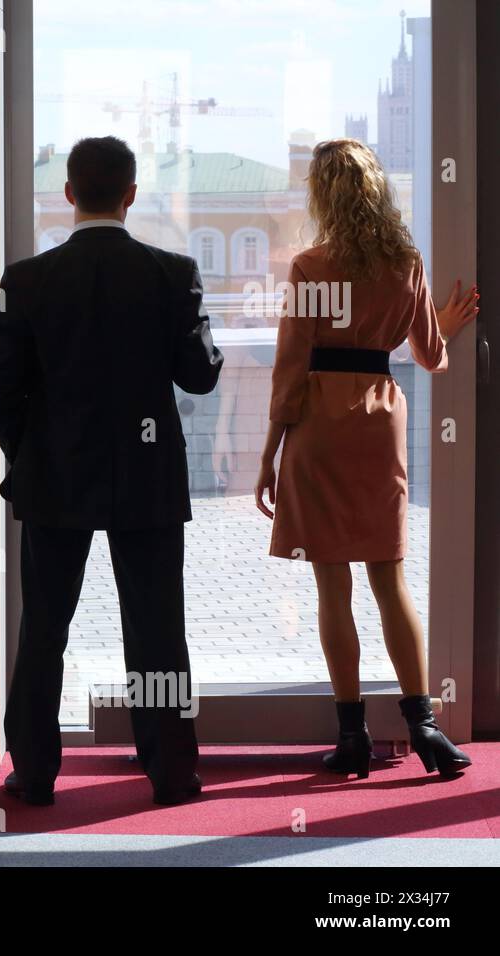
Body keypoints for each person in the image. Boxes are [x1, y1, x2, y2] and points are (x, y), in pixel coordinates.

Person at [0, 136, 222, 807]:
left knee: (44, 631)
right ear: (131, 194)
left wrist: (30, 455)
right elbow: (201, 376)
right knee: (156, 632)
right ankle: (172, 773)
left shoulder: (24, 280)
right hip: (147, 479)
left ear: (68, 193)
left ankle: (33, 774)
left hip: (55, 477)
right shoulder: (173, 274)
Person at [255, 138, 478, 779]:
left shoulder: (309, 265)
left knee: (333, 584)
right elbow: (431, 356)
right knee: (390, 577)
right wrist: (442, 321)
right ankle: (425, 728)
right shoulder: (405, 261)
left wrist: (269, 452)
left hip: (320, 428)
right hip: (380, 425)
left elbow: (290, 368)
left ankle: (351, 736)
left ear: (322, 195)